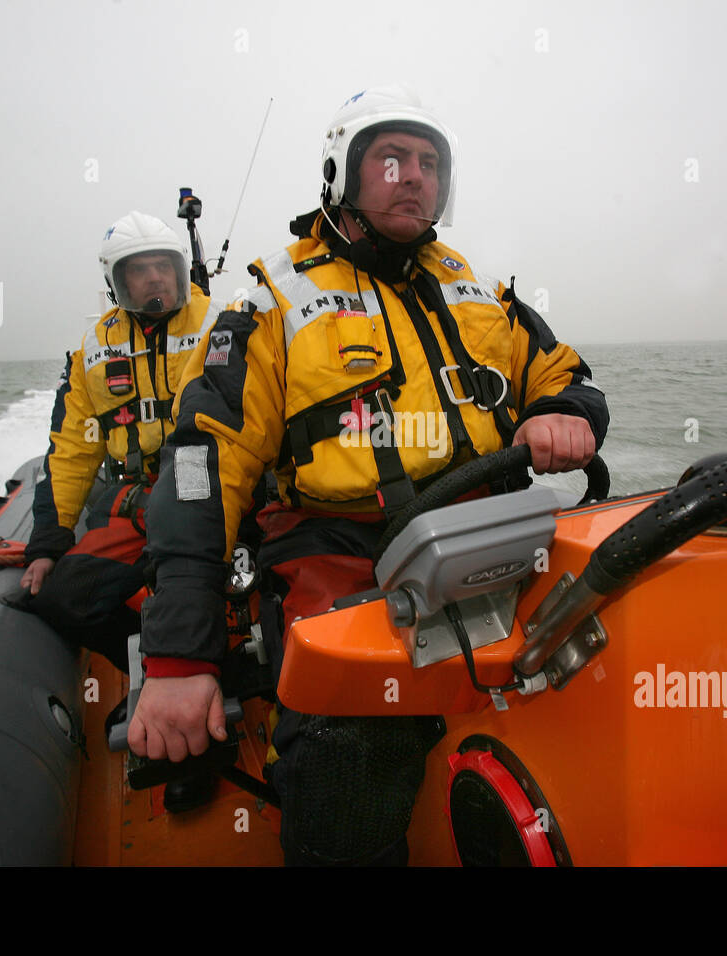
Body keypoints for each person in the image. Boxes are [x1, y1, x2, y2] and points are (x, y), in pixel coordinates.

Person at [133, 86, 609, 864]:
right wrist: (182, 659)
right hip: (342, 548)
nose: (413, 176)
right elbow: (201, 466)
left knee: (619, 635)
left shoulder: (477, 291)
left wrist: (564, 412)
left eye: (428, 163)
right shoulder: (272, 303)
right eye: (390, 158)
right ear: (341, 173)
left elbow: (566, 373)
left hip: (488, 529)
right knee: (347, 745)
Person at [20, 211, 223, 671]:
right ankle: (150, 667)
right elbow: (72, 449)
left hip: (211, 484)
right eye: (139, 269)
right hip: (139, 497)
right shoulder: (93, 349)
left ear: (180, 271)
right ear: (117, 281)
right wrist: (48, 542)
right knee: (63, 598)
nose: (156, 279)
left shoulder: (221, 323)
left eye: (164, 267)